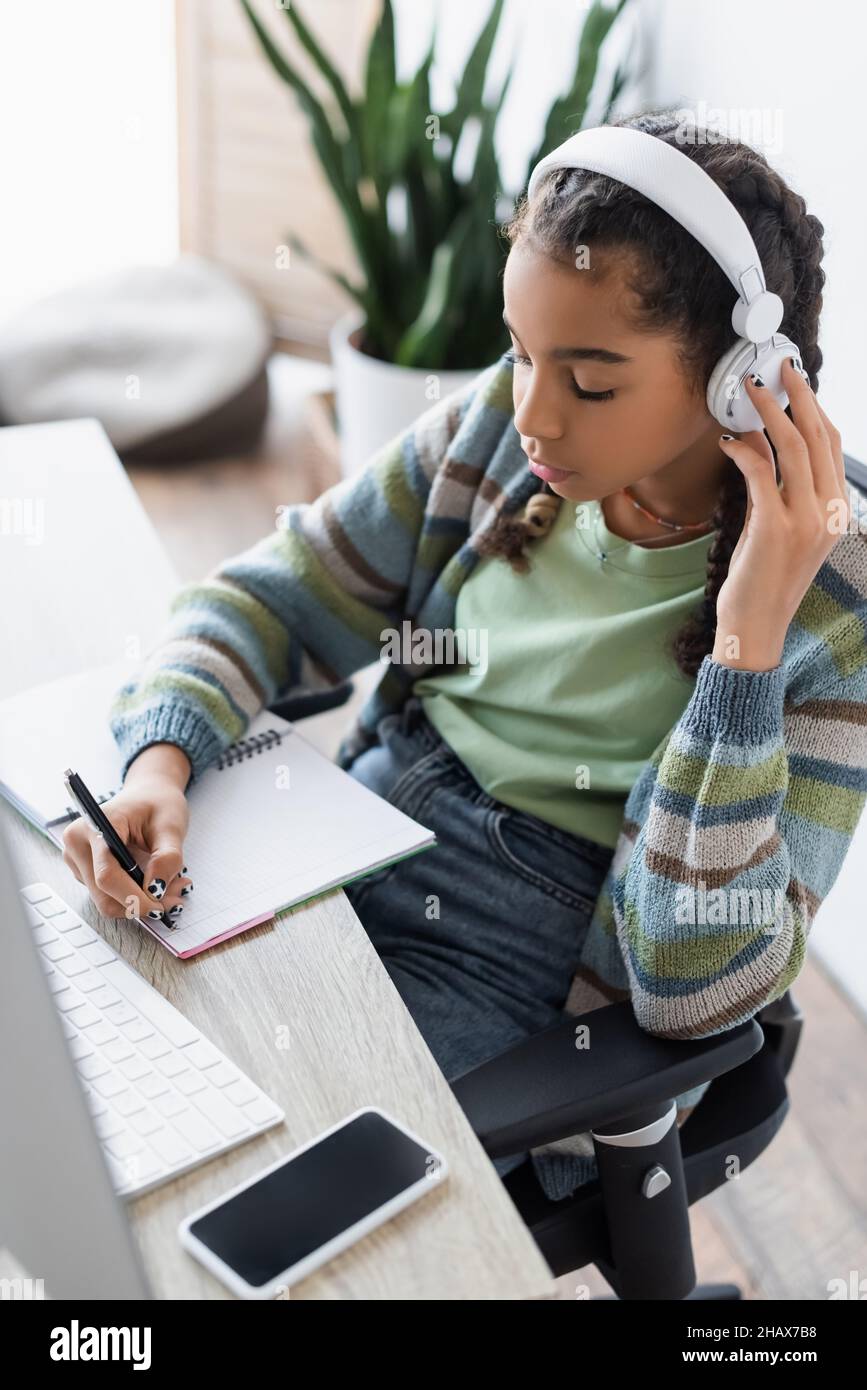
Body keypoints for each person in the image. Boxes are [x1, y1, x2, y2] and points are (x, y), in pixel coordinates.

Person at [63, 111, 867, 1203]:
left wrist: (749, 638)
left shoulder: (839, 590)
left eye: (589, 382)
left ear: (738, 378)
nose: (532, 414)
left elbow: (691, 986)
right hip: (358, 825)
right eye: (521, 349)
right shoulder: (506, 422)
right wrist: (159, 763)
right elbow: (275, 593)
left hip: (533, 949)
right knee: (104, 1075)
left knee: (257, 1188)